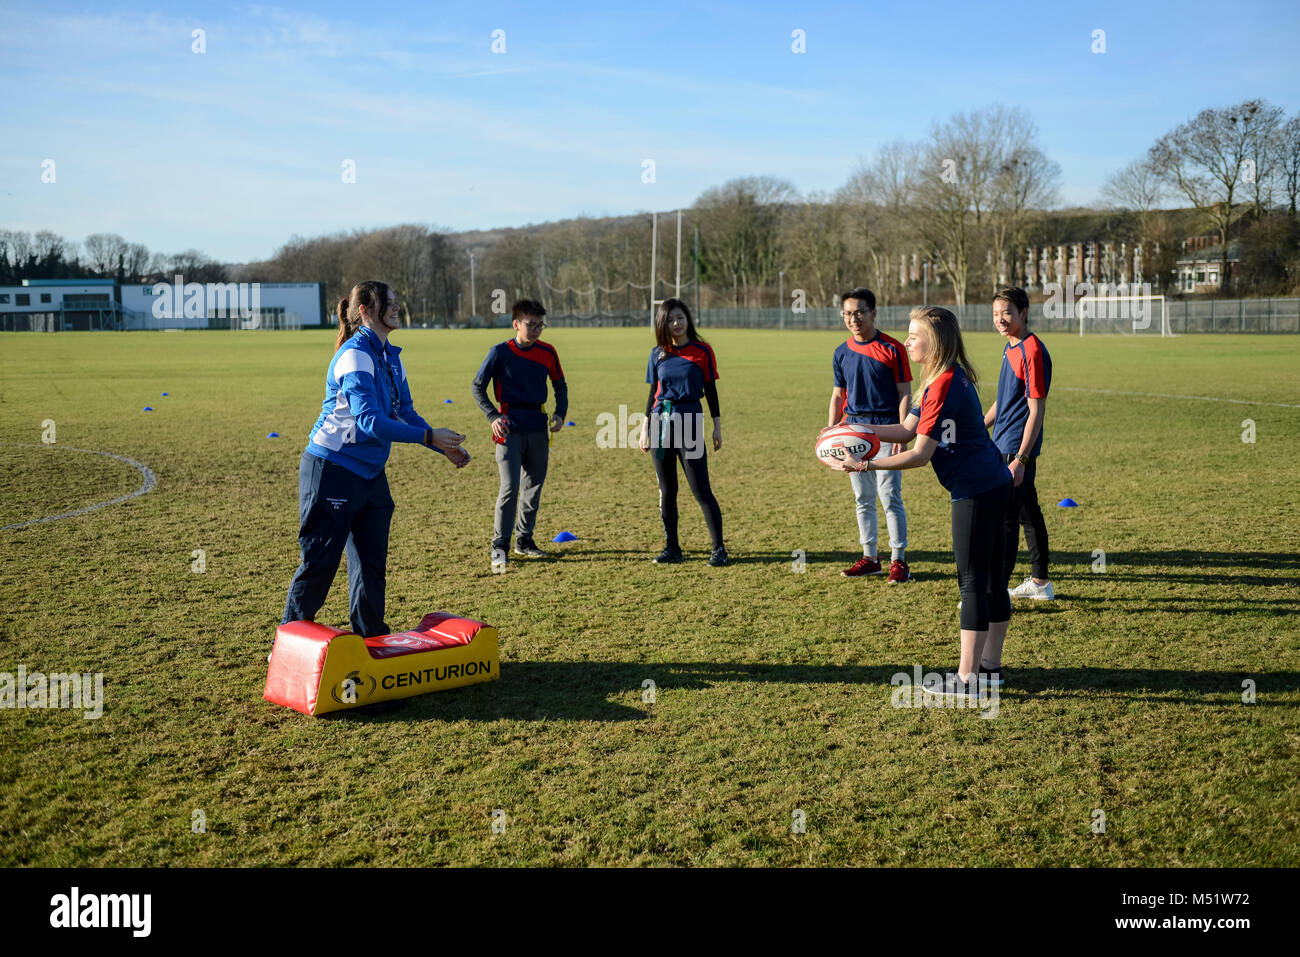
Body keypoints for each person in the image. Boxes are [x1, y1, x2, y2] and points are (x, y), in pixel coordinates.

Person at [839, 307, 1012, 698]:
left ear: (934, 341)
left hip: (976, 491)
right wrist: (855, 427)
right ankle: (990, 669)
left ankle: (968, 681)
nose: (906, 341)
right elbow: (904, 429)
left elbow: (918, 453)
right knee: (990, 582)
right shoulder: (943, 377)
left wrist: (865, 463)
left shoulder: (943, 383)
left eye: (914, 335)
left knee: (972, 584)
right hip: (994, 483)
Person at [282, 280, 469, 641]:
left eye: (397, 302)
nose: (397, 308)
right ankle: (288, 641)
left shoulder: (389, 357)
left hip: (370, 475)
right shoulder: (355, 356)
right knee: (319, 564)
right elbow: (370, 420)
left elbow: (405, 413)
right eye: (390, 303)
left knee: (371, 565)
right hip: (331, 470)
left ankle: (372, 643)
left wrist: (440, 446)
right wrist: (431, 436)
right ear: (366, 310)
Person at [471, 299, 568, 566]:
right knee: (510, 487)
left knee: (533, 488)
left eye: (540, 325)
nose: (536, 329)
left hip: (538, 426)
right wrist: (493, 416)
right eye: (531, 324)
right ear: (516, 324)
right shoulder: (499, 352)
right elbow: (478, 386)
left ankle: (524, 540)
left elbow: (561, 386)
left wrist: (560, 413)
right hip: (509, 428)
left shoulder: (548, 352)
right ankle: (499, 545)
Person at [827, 287, 912, 582]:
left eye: (860, 312)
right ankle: (870, 557)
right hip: (853, 434)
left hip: (887, 432)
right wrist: (831, 429)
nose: (854, 318)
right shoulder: (841, 352)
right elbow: (838, 395)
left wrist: (902, 435)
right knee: (863, 498)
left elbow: (904, 394)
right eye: (848, 313)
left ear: (874, 313)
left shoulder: (893, 349)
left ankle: (898, 561)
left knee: (890, 497)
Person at [637, 298, 726, 566]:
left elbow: (710, 389)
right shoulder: (657, 354)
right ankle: (672, 548)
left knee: (701, 490)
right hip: (659, 424)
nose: (677, 324)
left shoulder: (703, 351)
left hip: (689, 421)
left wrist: (717, 425)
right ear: (663, 323)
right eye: (672, 319)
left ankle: (719, 549)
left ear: (688, 320)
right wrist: (644, 428)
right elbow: (653, 392)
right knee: (667, 490)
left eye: (681, 318)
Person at [984, 287, 1054, 606]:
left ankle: (997, 591)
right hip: (1003, 444)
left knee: (1008, 518)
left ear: (1024, 312)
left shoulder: (1032, 351)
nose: (1001, 319)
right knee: (1028, 513)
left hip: (1015, 449)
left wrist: (1022, 459)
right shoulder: (1010, 347)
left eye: (1007, 313)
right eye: (997, 313)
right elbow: (1005, 399)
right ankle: (1040, 581)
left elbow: (1036, 409)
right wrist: (980, 425)